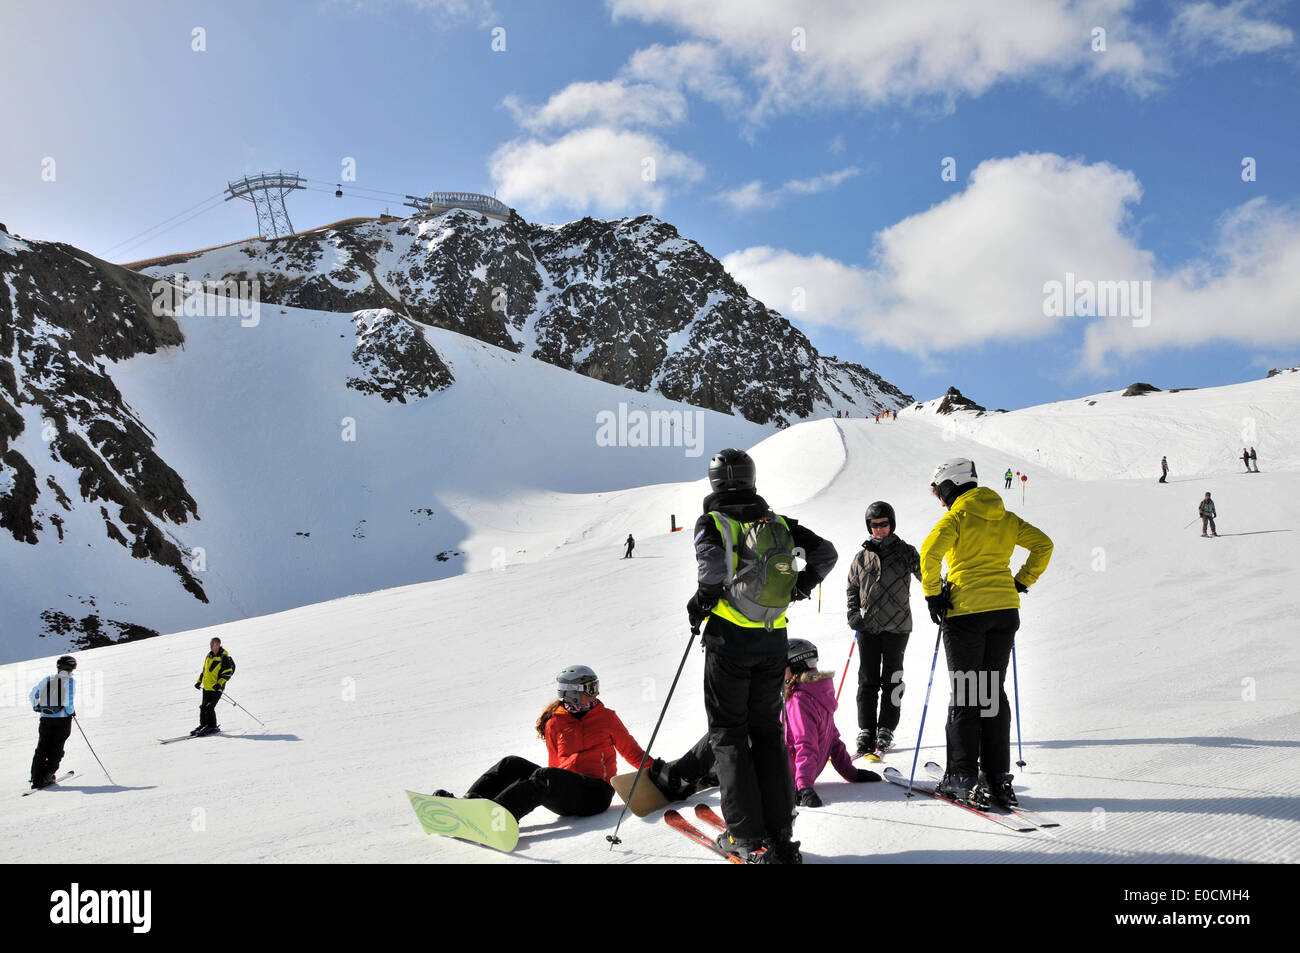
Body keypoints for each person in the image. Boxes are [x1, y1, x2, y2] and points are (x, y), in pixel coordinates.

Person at [686, 448, 838, 863]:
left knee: (729, 736)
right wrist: (801, 587)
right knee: (768, 734)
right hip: (774, 642)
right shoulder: (777, 523)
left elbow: (712, 570)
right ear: (751, 479)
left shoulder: (713, 522)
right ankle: (782, 834)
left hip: (729, 642)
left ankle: (748, 838)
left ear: (715, 482)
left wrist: (700, 602)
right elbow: (826, 553)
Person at [920, 458, 1053, 810]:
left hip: (966, 613)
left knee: (966, 691)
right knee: (991, 691)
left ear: (950, 486)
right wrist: (1020, 581)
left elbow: (929, 554)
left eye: (939, 492)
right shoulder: (1005, 517)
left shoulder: (957, 518)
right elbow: (1044, 545)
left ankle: (963, 777)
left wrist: (933, 594)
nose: (940, 499)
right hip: (1004, 612)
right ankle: (997, 777)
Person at [435, 665, 648, 822]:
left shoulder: (606, 718)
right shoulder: (555, 722)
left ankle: (494, 817)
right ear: (572, 693)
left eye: (596, 687)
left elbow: (633, 753)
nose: (596, 694)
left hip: (596, 794)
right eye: (590, 689)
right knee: (511, 763)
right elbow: (555, 765)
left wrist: (660, 770)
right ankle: (469, 805)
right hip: (567, 791)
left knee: (545, 776)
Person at [846, 501, 921, 758]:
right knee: (867, 680)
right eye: (874, 525)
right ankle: (866, 729)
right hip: (868, 627)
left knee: (893, 679)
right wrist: (853, 613)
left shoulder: (906, 552)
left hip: (898, 627)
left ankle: (886, 728)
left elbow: (928, 575)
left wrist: (942, 593)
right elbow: (852, 588)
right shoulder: (861, 557)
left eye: (883, 524)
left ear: (892, 524)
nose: (879, 529)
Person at [784, 639, 880, 808]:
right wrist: (851, 773)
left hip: (782, 777)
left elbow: (805, 744)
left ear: (797, 666)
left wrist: (804, 787)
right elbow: (831, 738)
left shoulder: (799, 700)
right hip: (794, 774)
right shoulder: (818, 691)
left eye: (780, 666)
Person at [29, 655, 77, 789]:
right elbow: (68, 702)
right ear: (72, 667)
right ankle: (48, 776)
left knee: (42, 747)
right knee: (56, 748)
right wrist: (71, 712)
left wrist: (36, 706)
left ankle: (36, 777)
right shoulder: (70, 681)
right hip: (62, 721)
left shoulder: (48, 679)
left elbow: (33, 694)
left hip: (45, 719)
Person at [194, 637, 235, 736]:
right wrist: (199, 682)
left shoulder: (224, 657)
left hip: (216, 688)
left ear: (218, 644)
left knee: (210, 707)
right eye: (211, 643)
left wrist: (219, 684)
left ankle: (212, 727)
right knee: (203, 707)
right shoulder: (209, 655)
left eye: (213, 644)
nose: (211, 645)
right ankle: (203, 725)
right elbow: (205, 671)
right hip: (207, 687)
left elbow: (227, 673)